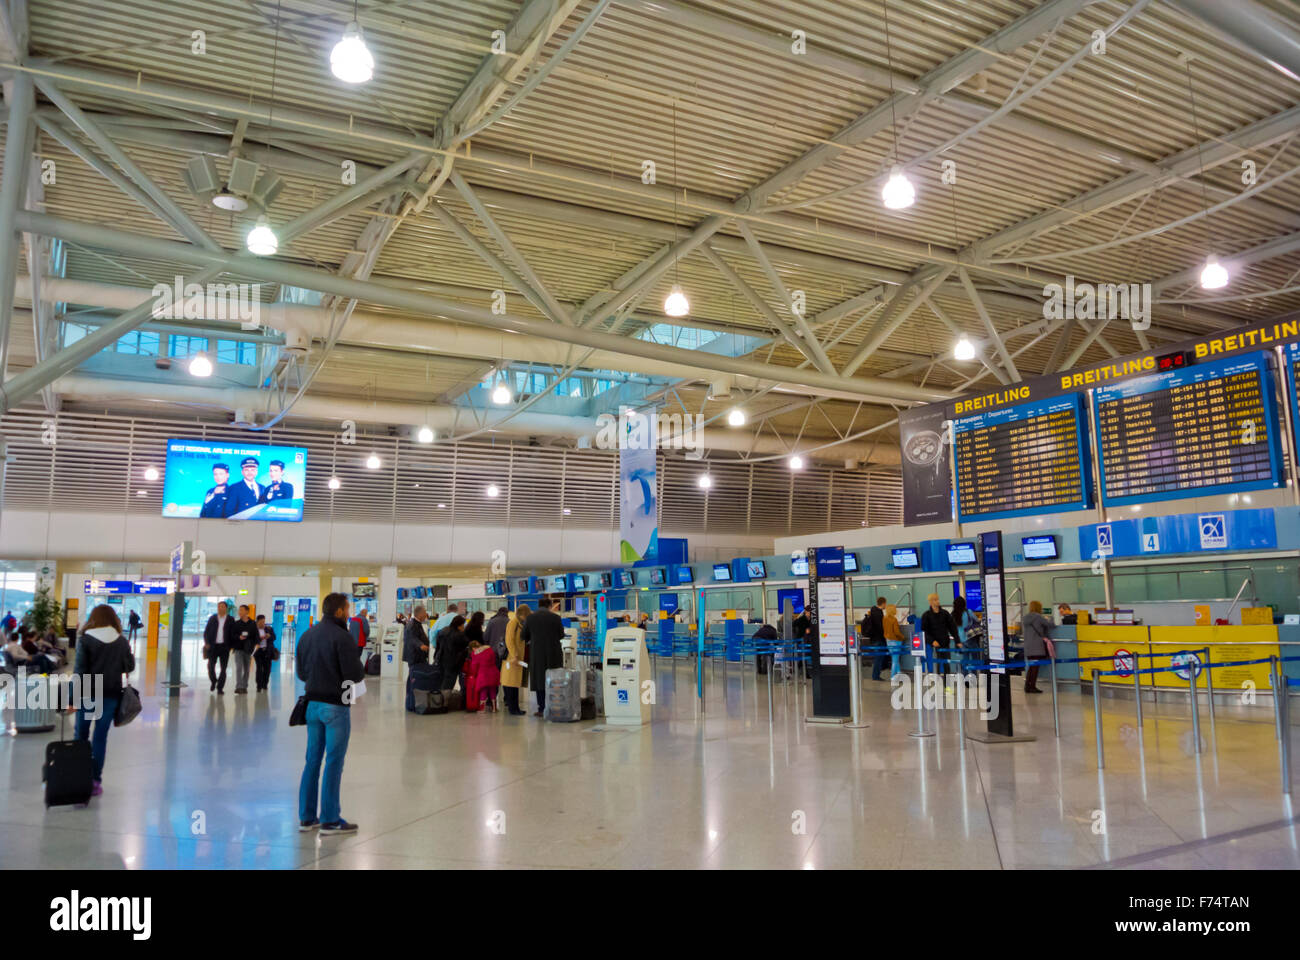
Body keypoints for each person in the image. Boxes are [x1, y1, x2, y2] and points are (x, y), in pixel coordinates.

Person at [296, 592, 364, 835]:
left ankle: (306, 817)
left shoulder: (307, 635)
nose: (350, 613)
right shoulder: (343, 637)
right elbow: (355, 674)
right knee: (334, 762)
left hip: (312, 705)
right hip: (335, 705)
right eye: (348, 609)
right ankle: (330, 820)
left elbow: (301, 674)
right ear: (339, 612)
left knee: (312, 760)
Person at [73, 604, 135, 797]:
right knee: (100, 738)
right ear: (113, 619)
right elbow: (130, 667)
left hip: (87, 694)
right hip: (110, 694)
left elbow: (79, 671)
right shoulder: (121, 641)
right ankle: (95, 781)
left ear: (94, 618)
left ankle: (78, 778)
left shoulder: (86, 640)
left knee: (81, 736)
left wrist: (71, 698)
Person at [522, 597, 564, 717]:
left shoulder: (530, 618)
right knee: (553, 679)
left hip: (537, 654)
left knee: (539, 680)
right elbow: (561, 634)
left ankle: (541, 708)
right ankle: (554, 706)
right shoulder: (555, 618)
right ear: (550, 606)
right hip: (553, 654)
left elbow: (524, 635)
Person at [920, 593, 959, 676]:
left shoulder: (945, 613)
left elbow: (952, 628)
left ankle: (947, 685)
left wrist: (957, 640)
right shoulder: (926, 615)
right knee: (937, 664)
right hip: (934, 644)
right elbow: (924, 631)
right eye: (935, 599)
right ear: (930, 602)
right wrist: (932, 641)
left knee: (946, 664)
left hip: (945, 643)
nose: (937, 601)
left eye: (938, 599)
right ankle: (937, 682)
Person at [1021, 601, 1055, 694]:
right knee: (1035, 668)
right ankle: (1032, 686)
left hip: (1028, 646)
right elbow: (1050, 625)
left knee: (1031, 667)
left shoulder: (1025, 618)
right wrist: (1051, 618)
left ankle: (1028, 685)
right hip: (1037, 646)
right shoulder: (1038, 617)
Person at [501, 604, 529, 716]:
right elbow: (509, 640)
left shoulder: (519, 623)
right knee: (510, 683)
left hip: (516, 658)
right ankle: (513, 708)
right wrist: (515, 655)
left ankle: (515, 707)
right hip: (512, 659)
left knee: (514, 683)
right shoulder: (513, 623)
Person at [203, 601, 237, 694]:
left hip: (224, 647)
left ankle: (220, 688)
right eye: (219, 607)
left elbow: (233, 634)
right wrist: (206, 643)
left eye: (222, 607)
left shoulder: (230, 619)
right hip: (213, 646)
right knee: (210, 666)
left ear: (226, 608)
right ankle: (214, 681)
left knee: (223, 668)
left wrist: (232, 646)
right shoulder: (212, 618)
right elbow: (206, 632)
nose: (220, 608)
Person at [466, 635, 501, 713]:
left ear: (473, 648)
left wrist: (473, 675)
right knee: (493, 690)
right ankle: (494, 708)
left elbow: (474, 666)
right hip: (494, 672)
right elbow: (494, 660)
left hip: (483, 674)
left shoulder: (475, 653)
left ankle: (482, 709)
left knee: (483, 691)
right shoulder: (489, 649)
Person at [433, 615, 468, 692]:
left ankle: (438, 701)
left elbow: (437, 646)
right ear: (459, 625)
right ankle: (445, 702)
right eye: (463, 625)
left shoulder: (442, 631)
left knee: (441, 683)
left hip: (440, 661)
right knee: (448, 686)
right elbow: (465, 648)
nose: (463, 627)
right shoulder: (459, 635)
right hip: (453, 664)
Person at [231, 604, 257, 694]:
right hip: (238, 648)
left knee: (246, 669)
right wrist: (239, 637)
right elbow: (232, 635)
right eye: (239, 610)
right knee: (239, 667)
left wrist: (254, 644)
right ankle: (239, 686)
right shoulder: (236, 623)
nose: (239, 612)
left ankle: (244, 686)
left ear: (247, 611)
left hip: (248, 649)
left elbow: (255, 636)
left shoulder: (253, 623)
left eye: (241, 610)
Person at [864, 597, 887, 681]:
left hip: (874, 638)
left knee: (879, 658)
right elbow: (880, 627)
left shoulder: (873, 611)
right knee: (878, 658)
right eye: (885, 603)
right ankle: (875, 676)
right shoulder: (878, 613)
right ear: (883, 603)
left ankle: (876, 675)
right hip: (879, 639)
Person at [252, 614, 277, 692]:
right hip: (258, 652)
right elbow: (251, 640)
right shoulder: (254, 630)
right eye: (261, 622)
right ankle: (259, 685)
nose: (263, 624)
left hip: (267, 651)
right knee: (259, 669)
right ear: (257, 622)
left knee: (267, 669)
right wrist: (259, 639)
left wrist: (269, 636)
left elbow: (274, 637)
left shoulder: (269, 629)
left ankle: (265, 684)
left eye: (264, 622)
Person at [883, 604, 903, 678]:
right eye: (895, 609)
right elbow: (897, 632)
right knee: (895, 660)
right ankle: (893, 677)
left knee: (895, 659)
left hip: (888, 641)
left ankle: (899, 673)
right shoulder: (894, 619)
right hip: (895, 641)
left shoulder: (884, 619)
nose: (896, 610)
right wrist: (903, 637)